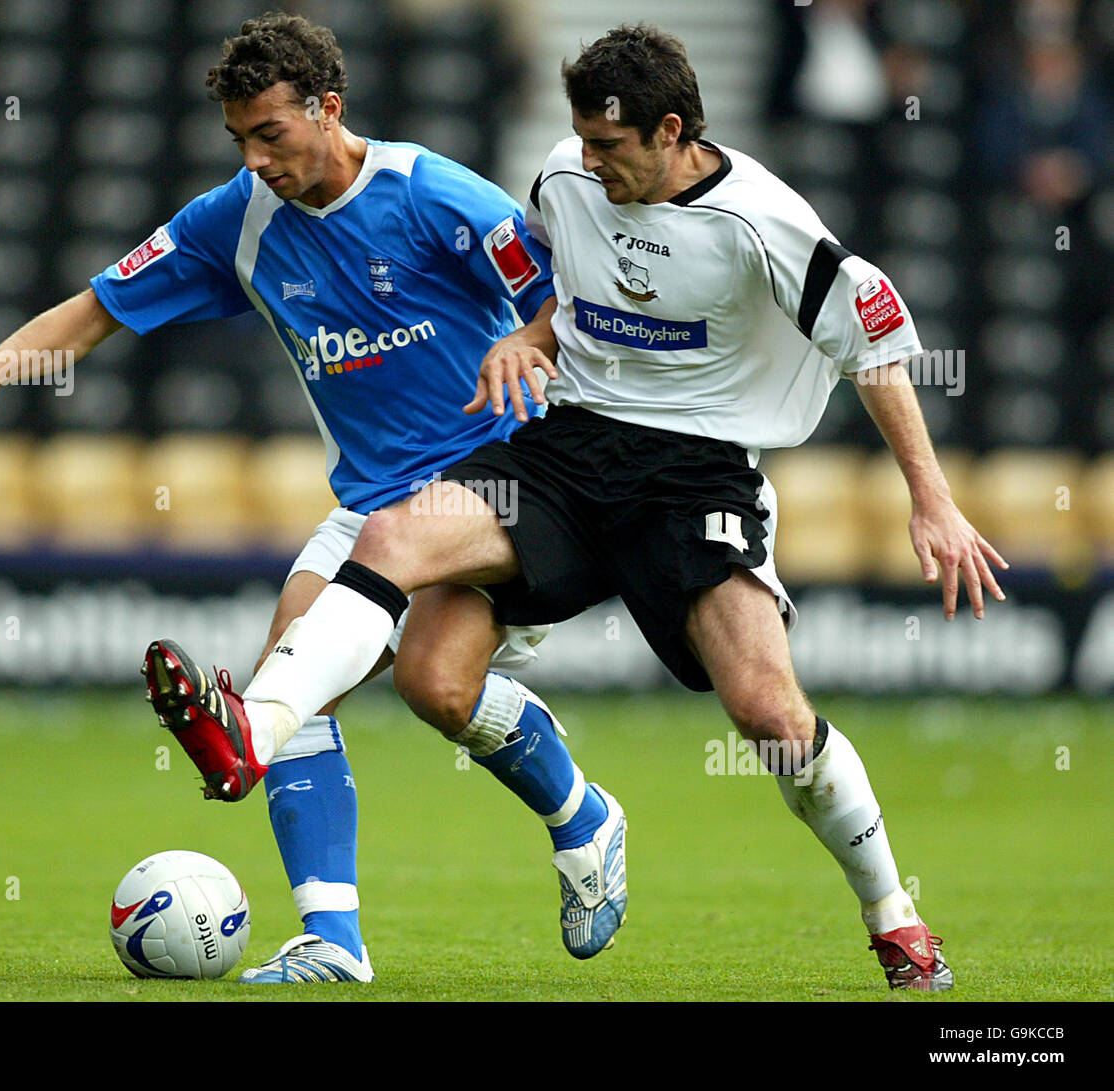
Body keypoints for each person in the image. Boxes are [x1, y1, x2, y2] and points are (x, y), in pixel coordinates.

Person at [212, 23, 1012, 992]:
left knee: (766, 711)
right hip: (570, 447)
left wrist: (930, 499)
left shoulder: (764, 222)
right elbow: (564, 284)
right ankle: (257, 726)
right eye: (580, 140)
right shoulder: (566, 175)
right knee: (392, 539)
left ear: (670, 130)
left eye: (608, 146)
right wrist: (534, 340)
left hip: (696, 477)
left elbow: (874, 339)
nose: (586, 162)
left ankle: (893, 915)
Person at [0, 12, 627, 985]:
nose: (256, 159)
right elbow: (97, 309)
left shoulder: (433, 196)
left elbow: (567, 297)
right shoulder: (236, 221)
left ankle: (329, 864)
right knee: (424, 687)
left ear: (326, 108)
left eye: (272, 134)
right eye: (239, 140)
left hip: (502, 475)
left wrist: (532, 345)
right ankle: (385, 913)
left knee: (301, 676)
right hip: (376, 497)